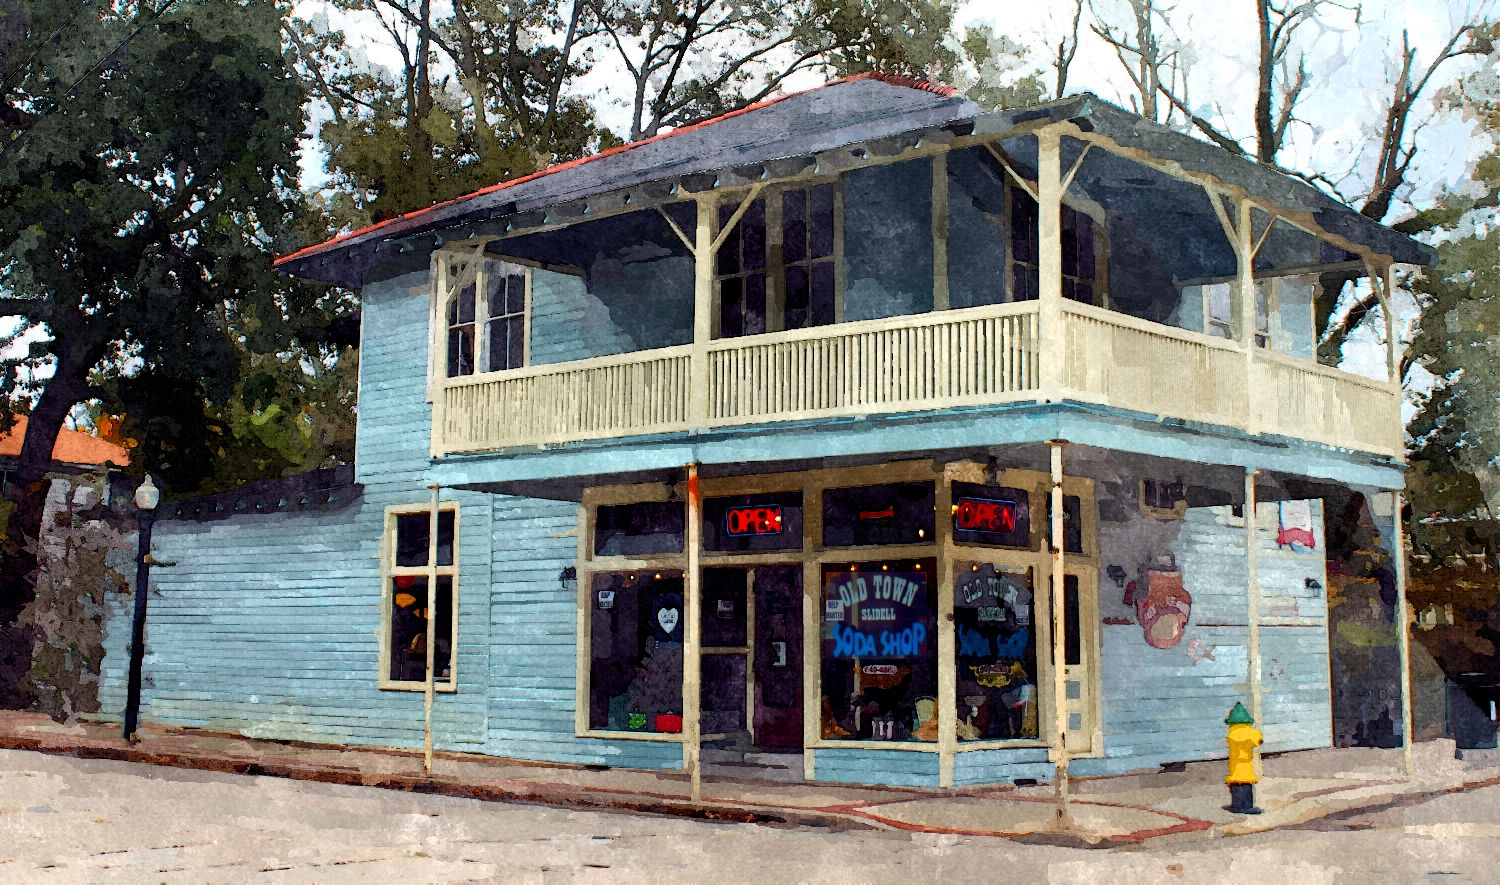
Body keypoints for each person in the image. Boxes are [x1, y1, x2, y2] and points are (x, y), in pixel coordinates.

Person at [1225, 701, 1264, 814]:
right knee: (1246, 786)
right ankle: (1247, 807)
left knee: (1236, 785)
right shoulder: (1251, 732)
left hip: (1234, 764)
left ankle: (1237, 806)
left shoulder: (1232, 733)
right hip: (1246, 763)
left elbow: (1236, 738)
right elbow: (1258, 740)